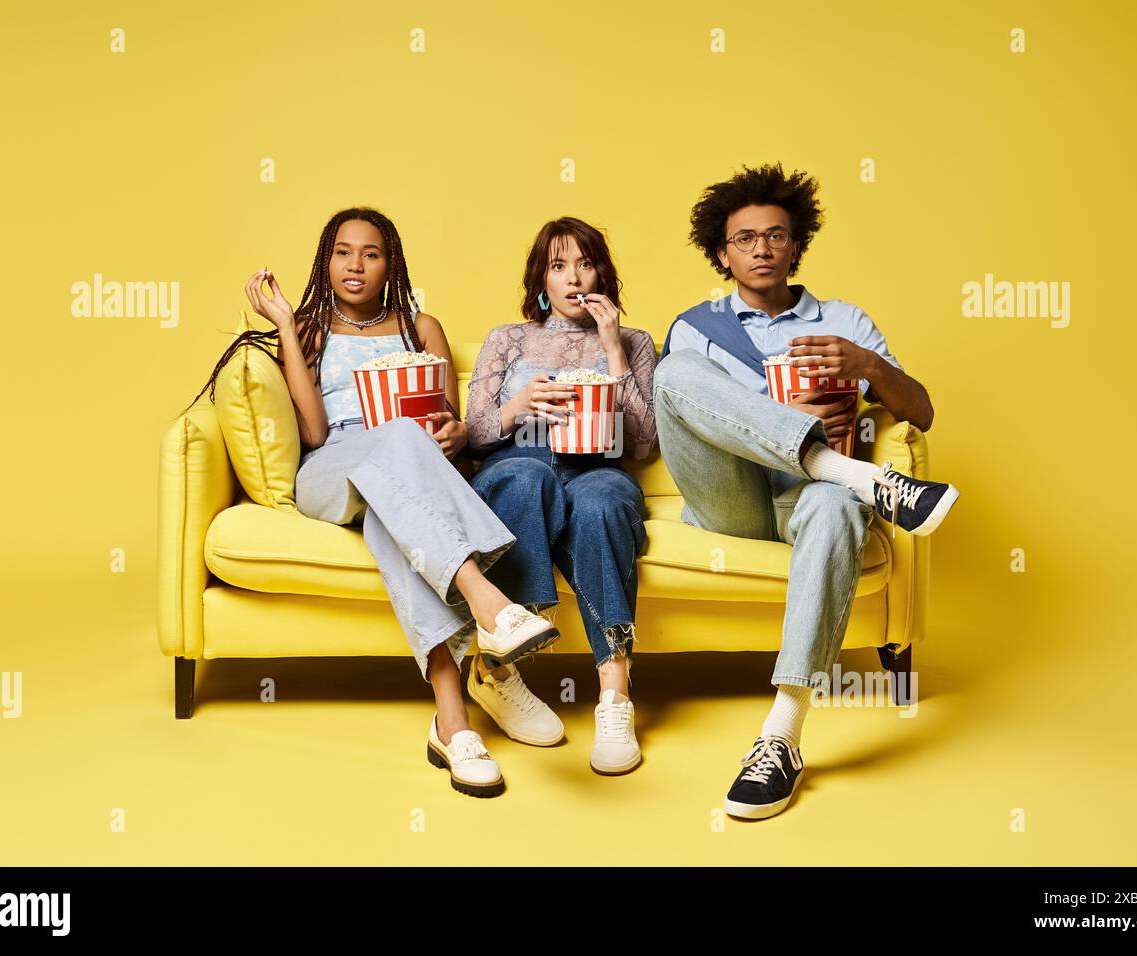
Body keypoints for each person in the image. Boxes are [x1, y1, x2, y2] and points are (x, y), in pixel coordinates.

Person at [180, 207, 559, 799]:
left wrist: (456, 434)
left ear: (392, 265)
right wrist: (283, 320)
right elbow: (310, 432)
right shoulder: (305, 329)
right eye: (342, 252)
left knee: (397, 505)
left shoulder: (421, 328)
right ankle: (490, 604)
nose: (355, 265)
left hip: (403, 482)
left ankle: (451, 723)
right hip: (333, 472)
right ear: (325, 261)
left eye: (371, 253)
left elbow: (447, 426)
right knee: (397, 442)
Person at [655, 163, 961, 819]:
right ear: (721, 252)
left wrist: (869, 367)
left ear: (797, 246)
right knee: (674, 370)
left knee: (833, 501)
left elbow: (923, 412)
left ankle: (781, 736)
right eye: (745, 239)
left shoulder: (844, 320)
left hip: (812, 505)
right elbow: (677, 413)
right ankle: (860, 476)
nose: (761, 249)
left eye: (775, 236)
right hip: (729, 497)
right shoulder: (697, 326)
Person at [465, 217, 657, 775]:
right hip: (516, 466)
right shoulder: (509, 338)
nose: (573, 277)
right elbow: (473, 431)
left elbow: (643, 444)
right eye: (557, 266)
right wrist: (516, 406)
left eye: (585, 263)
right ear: (541, 280)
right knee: (530, 478)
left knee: (602, 502)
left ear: (603, 273)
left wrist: (612, 350)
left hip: (595, 469)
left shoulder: (637, 341)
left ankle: (615, 695)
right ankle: (500, 672)